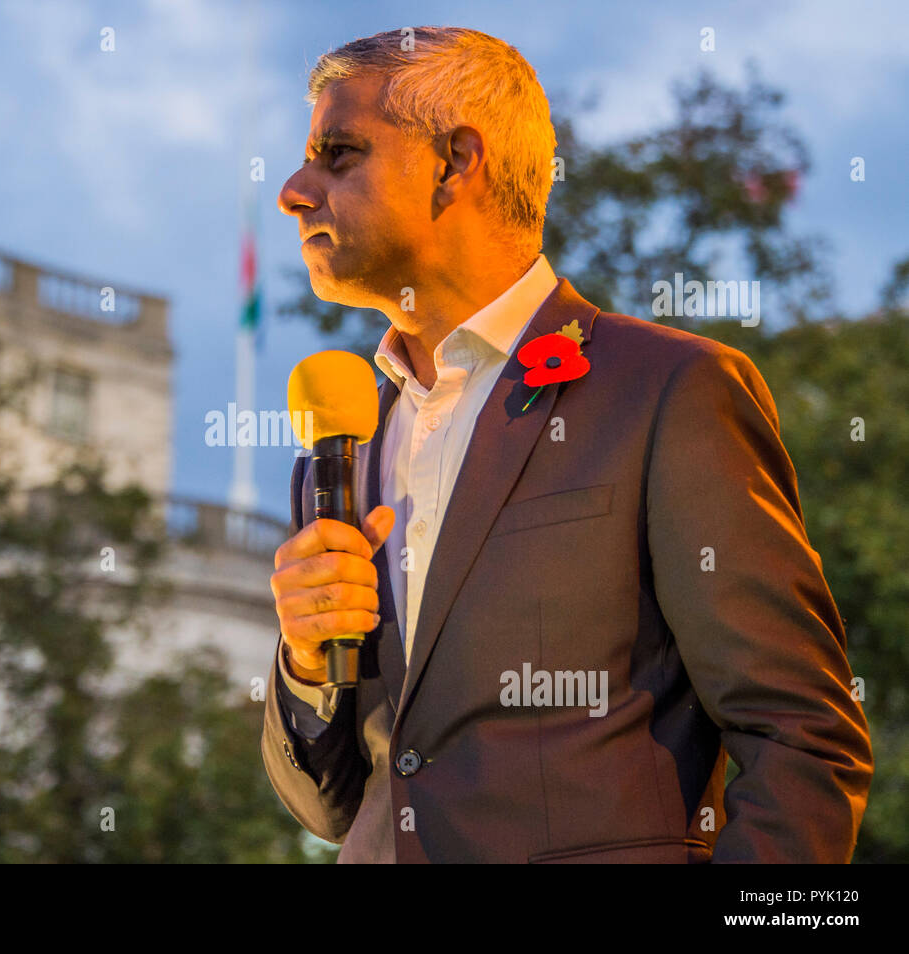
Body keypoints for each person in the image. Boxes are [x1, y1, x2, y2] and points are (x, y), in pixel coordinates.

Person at [261, 26, 873, 863]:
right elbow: (330, 811)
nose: (293, 190)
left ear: (454, 162)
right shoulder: (344, 445)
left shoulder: (667, 390)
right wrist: (302, 661)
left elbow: (803, 738)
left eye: (338, 154)